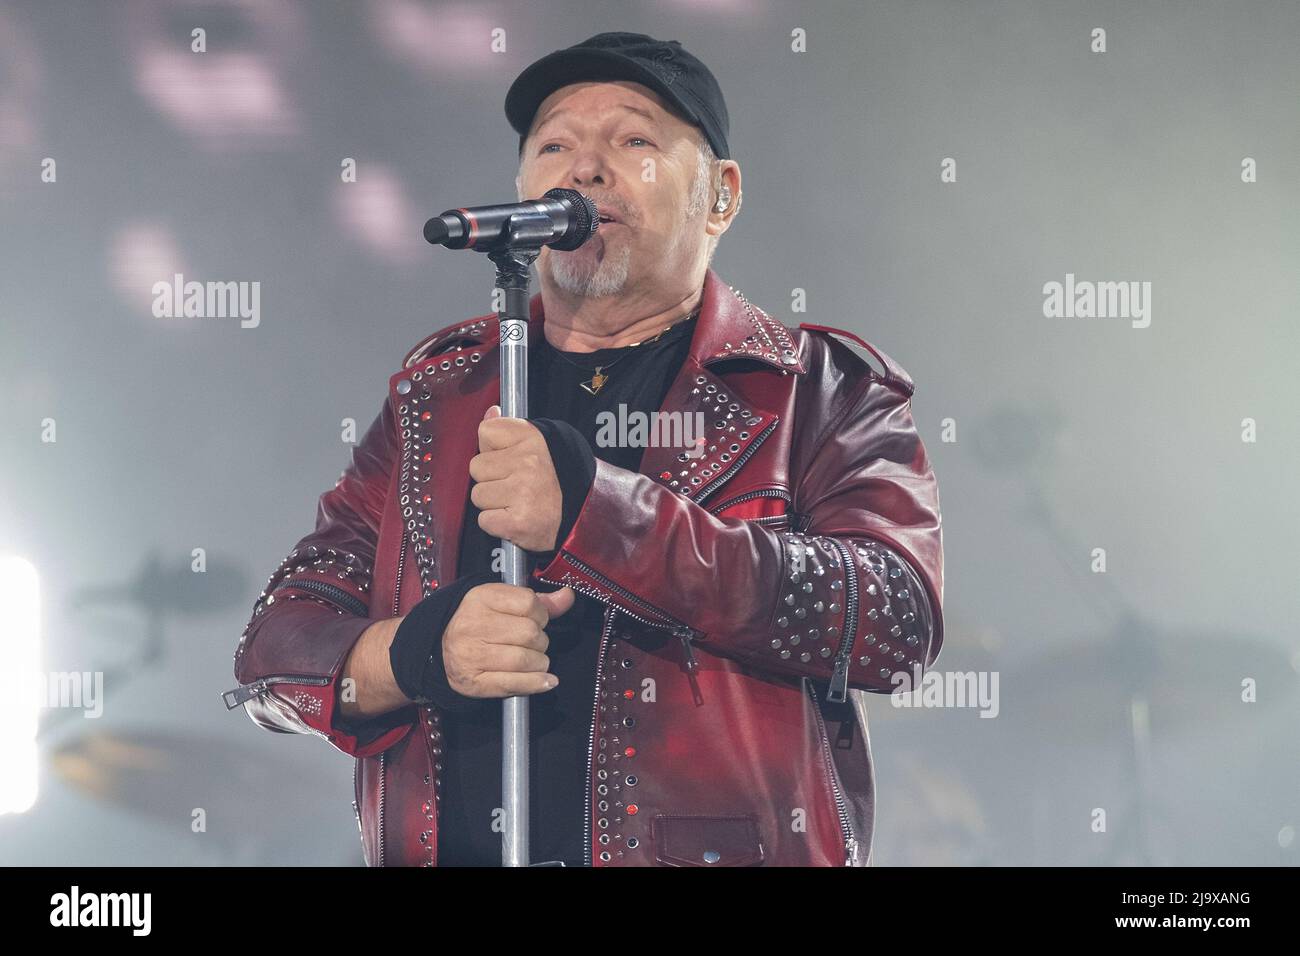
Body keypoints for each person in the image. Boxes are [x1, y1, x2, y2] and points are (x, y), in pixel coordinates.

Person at [226, 31, 946, 867]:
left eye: (634, 140)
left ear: (721, 196)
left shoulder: (815, 389)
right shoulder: (438, 398)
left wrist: (599, 515)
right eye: (555, 144)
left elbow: (895, 623)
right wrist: (422, 649)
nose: (586, 167)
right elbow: (277, 646)